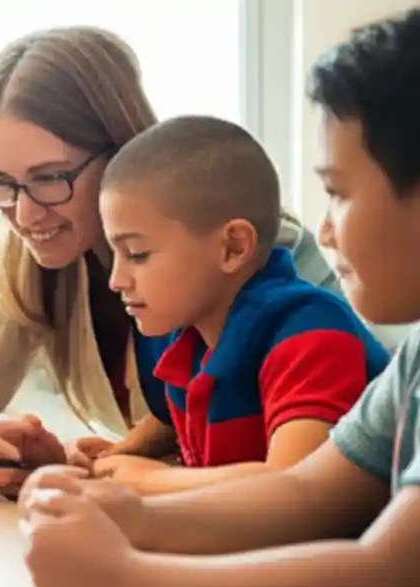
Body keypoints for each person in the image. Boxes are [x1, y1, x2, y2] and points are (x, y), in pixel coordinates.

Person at [19, 7, 420, 587]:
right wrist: (130, 516)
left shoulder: (303, 324)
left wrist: (122, 578)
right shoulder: (414, 359)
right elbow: (305, 493)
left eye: (338, 193)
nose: (322, 229)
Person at [0, 27, 350, 493]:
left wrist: (149, 478)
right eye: (1, 182)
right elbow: (183, 416)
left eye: (50, 177)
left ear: (121, 154)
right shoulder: (38, 253)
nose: (24, 213)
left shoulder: (251, 277)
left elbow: (299, 482)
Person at [92, 114, 388, 496]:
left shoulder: (311, 334)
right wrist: (110, 464)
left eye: (137, 253)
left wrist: (145, 479)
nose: (116, 279)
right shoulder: (189, 341)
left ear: (233, 247)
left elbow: (291, 489)